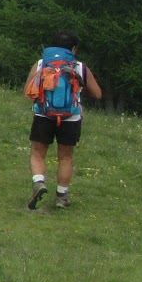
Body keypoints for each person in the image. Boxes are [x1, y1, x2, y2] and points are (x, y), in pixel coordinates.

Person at [24, 31, 103, 209]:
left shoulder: (41, 64)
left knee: (38, 153)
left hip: (44, 114)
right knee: (65, 157)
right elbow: (98, 94)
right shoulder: (80, 66)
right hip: (71, 117)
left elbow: (28, 89)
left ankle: (39, 182)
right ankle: (61, 196)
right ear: (73, 49)